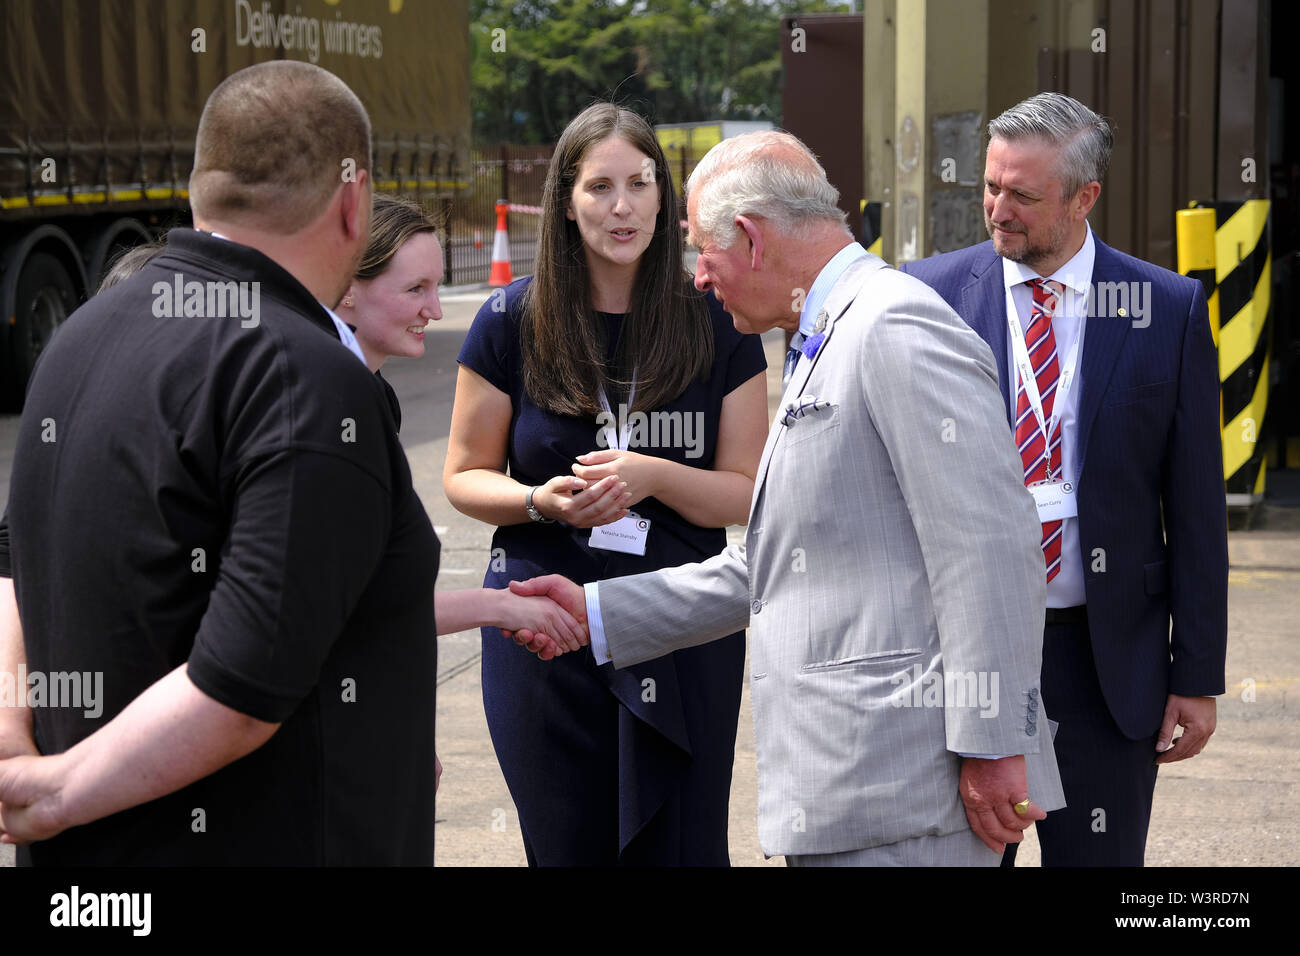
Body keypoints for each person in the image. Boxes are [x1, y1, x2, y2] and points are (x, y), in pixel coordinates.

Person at [0, 60, 575, 865]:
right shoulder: (304, 376)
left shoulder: (77, 338)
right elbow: (243, 684)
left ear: (203, 184)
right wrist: (52, 793)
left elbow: (16, 571)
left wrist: (13, 737)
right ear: (352, 201)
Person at [510, 129, 1067, 867]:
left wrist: (995, 744)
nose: (698, 278)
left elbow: (991, 547)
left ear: (749, 239)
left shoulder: (892, 325)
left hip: (907, 799)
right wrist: (597, 613)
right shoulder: (826, 334)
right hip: (856, 795)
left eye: (699, 251)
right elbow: (779, 566)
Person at [900, 92, 1227, 866]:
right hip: (964, 657)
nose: (997, 210)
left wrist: (1199, 672)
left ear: (1085, 198)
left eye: (1023, 195)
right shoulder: (927, 298)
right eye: (990, 186)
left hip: (1105, 661)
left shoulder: (1167, 308)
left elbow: (1195, 506)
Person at [442, 103, 770, 866]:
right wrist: (537, 500)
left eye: (639, 184)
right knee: (567, 845)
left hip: (680, 618)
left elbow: (749, 493)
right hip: (545, 623)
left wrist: (652, 475)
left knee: (683, 847)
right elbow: (462, 475)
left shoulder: (717, 319)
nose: (621, 207)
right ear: (565, 199)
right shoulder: (509, 320)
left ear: (665, 196)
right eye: (599, 187)